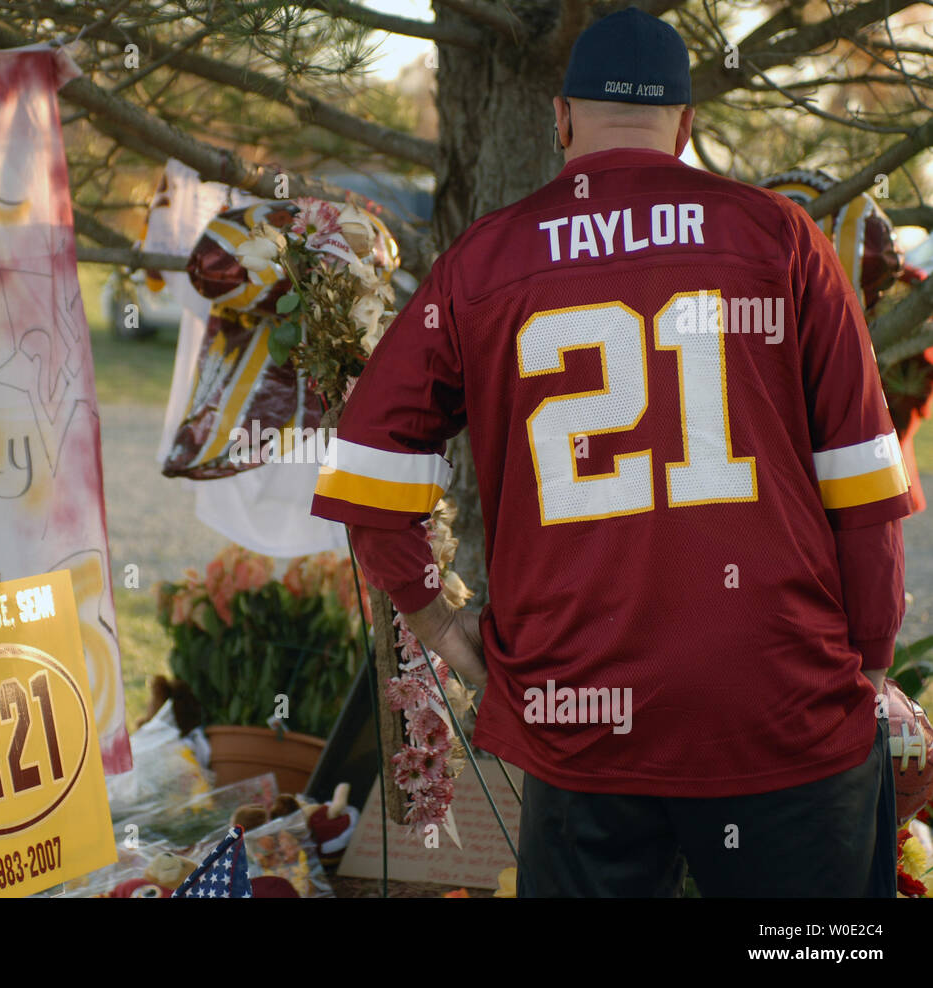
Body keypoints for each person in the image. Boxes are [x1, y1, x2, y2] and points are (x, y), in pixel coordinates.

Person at [310, 5, 908, 897]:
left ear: (560, 118)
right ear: (687, 125)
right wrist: (864, 657)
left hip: (578, 712)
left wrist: (441, 622)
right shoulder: (781, 238)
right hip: (777, 705)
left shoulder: (485, 262)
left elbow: (367, 470)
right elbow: (861, 482)